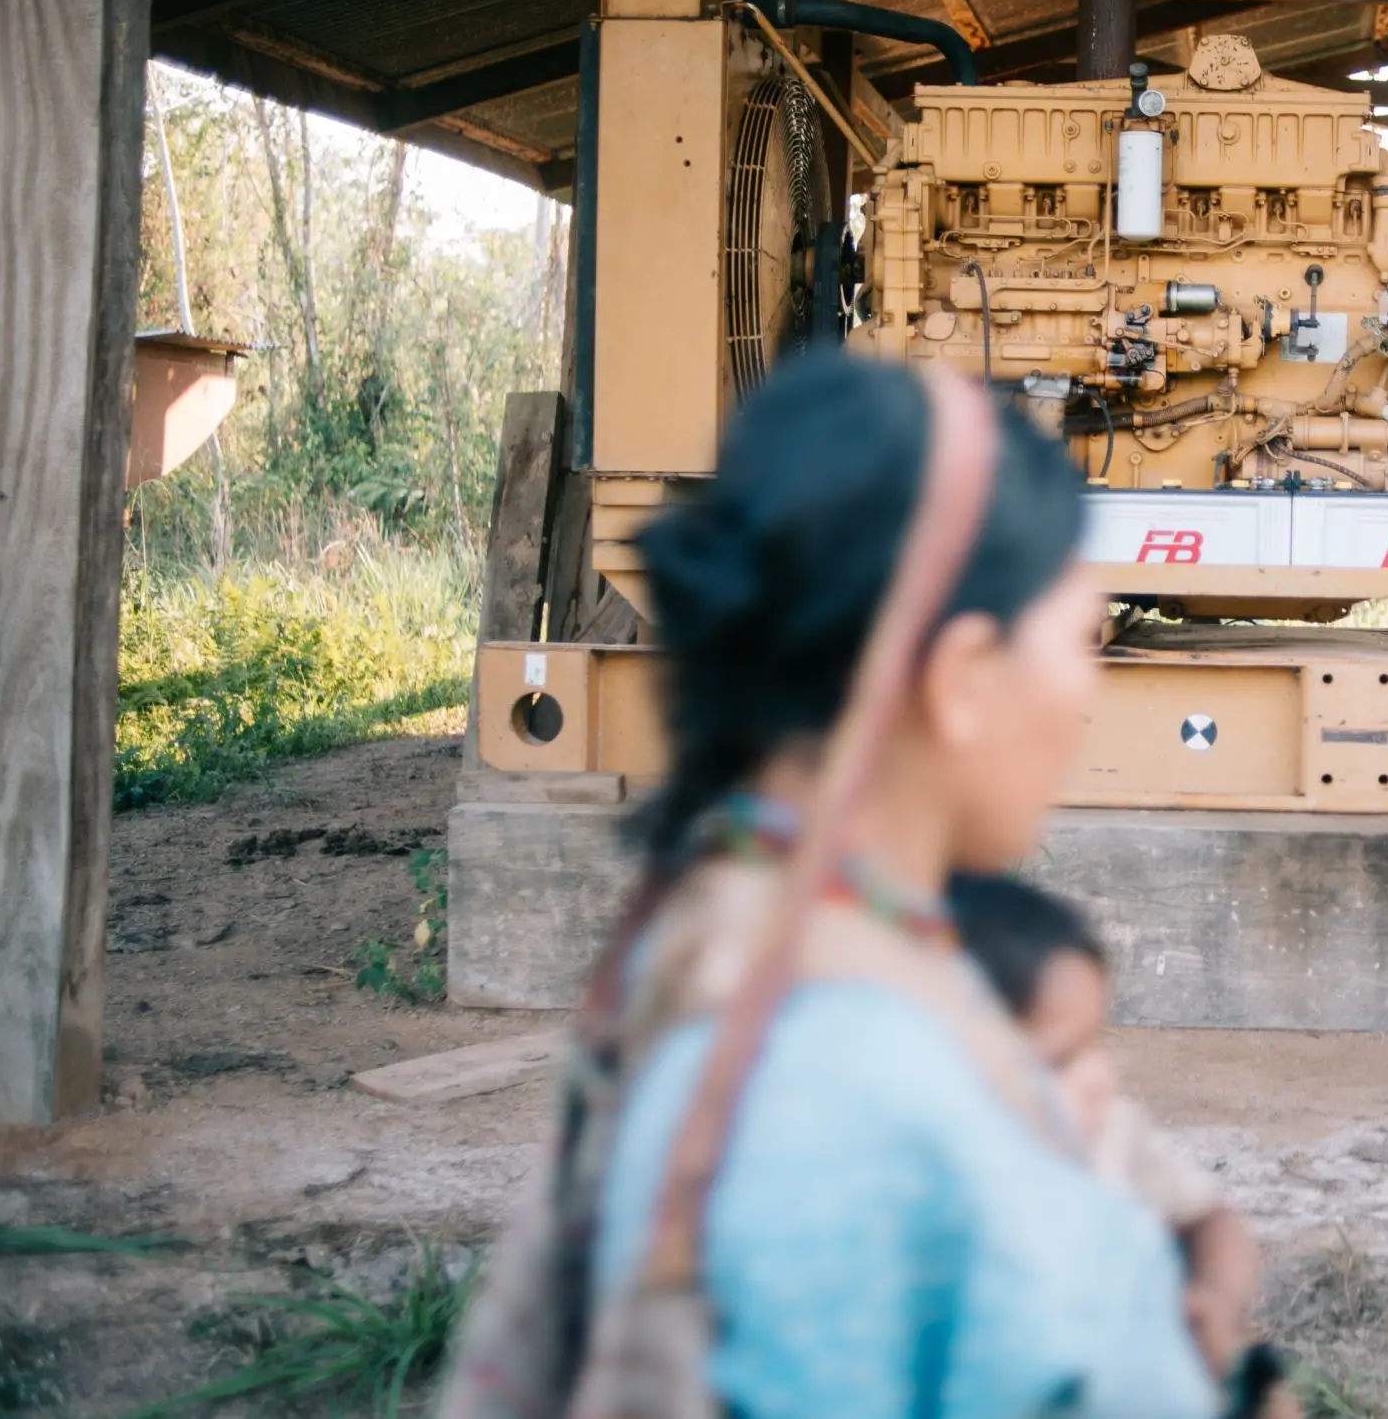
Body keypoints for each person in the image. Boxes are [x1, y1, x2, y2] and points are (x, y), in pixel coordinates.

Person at [441, 353, 1217, 1419]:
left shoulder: (735, 934)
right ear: (958, 678)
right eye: (1079, 635)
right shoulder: (835, 1102)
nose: (1087, 683)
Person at [947, 873, 1266, 1379]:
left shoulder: (1111, 1132)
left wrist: (1215, 1301)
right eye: (1059, 1061)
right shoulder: (939, 1200)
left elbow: (1211, 1220)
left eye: (1094, 1044)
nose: (1101, 1077)